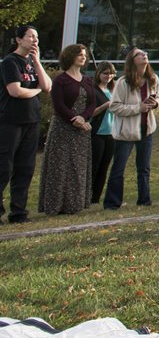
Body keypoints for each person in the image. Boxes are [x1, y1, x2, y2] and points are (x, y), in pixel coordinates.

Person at [0, 24, 53, 223]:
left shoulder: (32, 62)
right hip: (10, 122)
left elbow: (47, 85)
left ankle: (18, 212)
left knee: (25, 168)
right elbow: (15, 91)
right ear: (19, 40)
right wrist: (36, 90)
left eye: (36, 37)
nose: (34, 40)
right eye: (30, 36)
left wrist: (37, 62)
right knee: (4, 168)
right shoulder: (10, 62)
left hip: (32, 122)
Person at [38, 44, 95, 215]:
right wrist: (74, 119)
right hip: (63, 128)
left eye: (84, 55)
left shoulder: (87, 80)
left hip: (81, 129)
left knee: (78, 166)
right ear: (70, 56)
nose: (83, 57)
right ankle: (55, 205)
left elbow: (92, 103)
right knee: (60, 166)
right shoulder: (60, 80)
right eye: (79, 54)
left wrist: (83, 118)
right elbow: (59, 105)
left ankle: (75, 204)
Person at [104, 47, 159, 210]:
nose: (144, 56)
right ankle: (112, 202)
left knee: (144, 167)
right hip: (126, 131)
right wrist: (138, 108)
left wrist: (155, 103)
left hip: (146, 129)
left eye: (145, 54)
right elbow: (114, 106)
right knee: (119, 167)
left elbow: (158, 97)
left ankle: (144, 199)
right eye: (139, 54)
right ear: (132, 60)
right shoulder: (123, 82)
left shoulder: (153, 79)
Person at [89, 61, 117, 205]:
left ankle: (96, 198)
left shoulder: (114, 91)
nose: (108, 76)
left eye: (111, 73)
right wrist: (105, 106)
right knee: (94, 166)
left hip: (111, 134)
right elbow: (90, 113)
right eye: (105, 73)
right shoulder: (93, 91)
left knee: (104, 167)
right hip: (97, 133)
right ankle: (87, 196)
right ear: (98, 73)